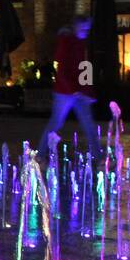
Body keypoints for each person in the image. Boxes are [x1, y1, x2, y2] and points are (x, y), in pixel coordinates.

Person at [42, 15, 99, 157]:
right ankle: (40, 156)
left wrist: (88, 91)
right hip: (64, 91)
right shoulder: (66, 40)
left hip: (78, 92)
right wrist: (74, 90)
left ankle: (99, 158)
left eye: (88, 29)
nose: (86, 31)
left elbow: (85, 67)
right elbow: (62, 69)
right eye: (84, 28)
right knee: (55, 124)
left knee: (89, 126)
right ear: (76, 26)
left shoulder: (82, 42)